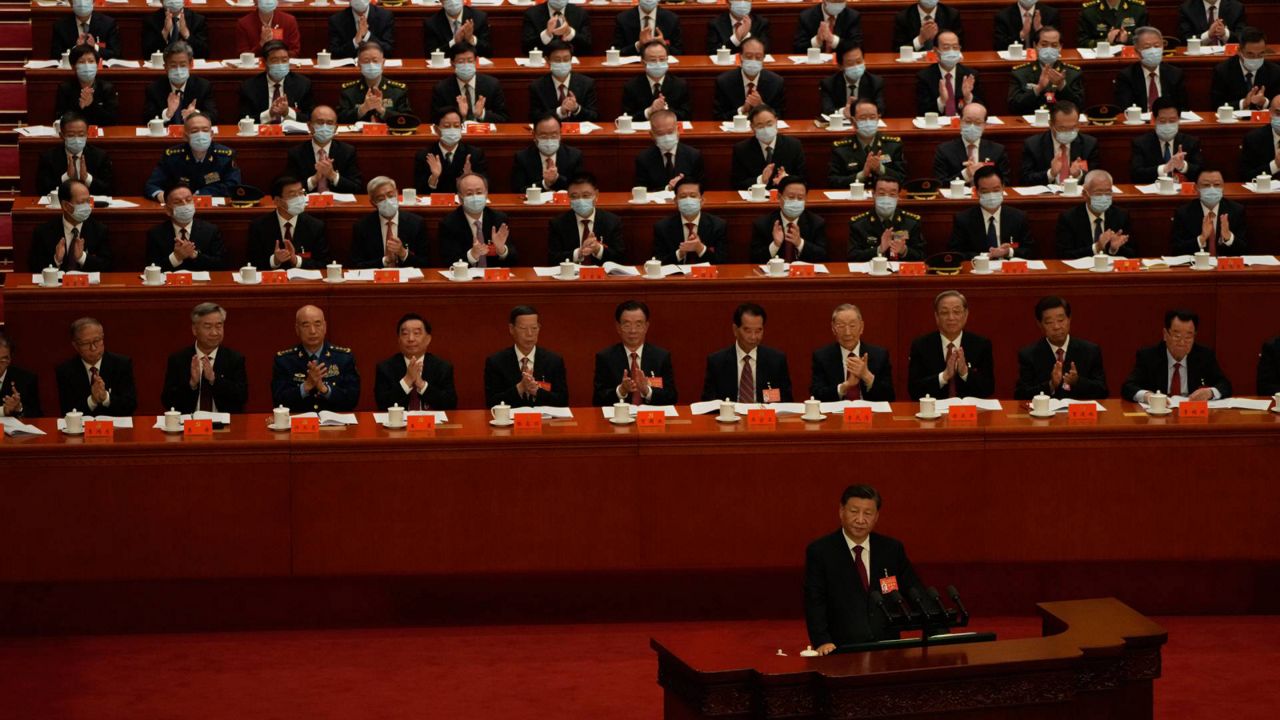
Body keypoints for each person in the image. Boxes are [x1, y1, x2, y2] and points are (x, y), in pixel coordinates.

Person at [805, 485, 923, 653]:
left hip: (888, 648)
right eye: (854, 511)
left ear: (876, 516)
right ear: (841, 511)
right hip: (842, 649)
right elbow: (815, 601)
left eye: (867, 513)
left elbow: (915, 591)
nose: (860, 520)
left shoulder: (891, 549)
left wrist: (939, 633)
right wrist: (821, 641)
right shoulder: (821, 552)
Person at [1121, 309, 1232, 402]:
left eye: (1188, 337)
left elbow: (1225, 385)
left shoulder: (1204, 356)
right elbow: (1128, 387)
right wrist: (1147, 396)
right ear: (1165, 335)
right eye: (1177, 336)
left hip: (1192, 417)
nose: (1182, 343)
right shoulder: (1149, 356)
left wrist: (1210, 392)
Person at [161, 303, 249, 414]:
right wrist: (192, 384)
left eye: (219, 326)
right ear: (194, 329)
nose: (214, 332)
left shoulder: (234, 359)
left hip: (224, 426)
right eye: (208, 327)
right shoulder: (178, 359)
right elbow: (168, 401)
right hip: (188, 425)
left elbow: (241, 398)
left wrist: (214, 380)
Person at [1014, 296, 1108, 400]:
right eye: (1049, 322)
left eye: (1060, 320)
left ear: (1069, 319)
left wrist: (1078, 381)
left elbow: (1103, 391)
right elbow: (1021, 395)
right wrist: (1051, 385)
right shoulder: (1029, 355)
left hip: (1080, 414)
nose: (1056, 327)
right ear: (1039, 325)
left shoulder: (1090, 351)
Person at [907, 290, 995, 400]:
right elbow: (914, 390)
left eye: (956, 312)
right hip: (934, 412)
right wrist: (944, 376)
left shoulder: (981, 345)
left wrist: (965, 372)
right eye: (944, 312)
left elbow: (988, 388)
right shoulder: (921, 346)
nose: (951, 317)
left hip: (969, 412)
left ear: (966, 315)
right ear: (936, 317)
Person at [271, 305, 360, 413]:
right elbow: (279, 401)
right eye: (306, 325)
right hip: (298, 425)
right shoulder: (284, 360)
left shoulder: (343, 357)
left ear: (325, 327)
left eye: (317, 324)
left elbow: (352, 400)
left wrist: (324, 389)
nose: (312, 331)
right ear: (297, 329)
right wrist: (305, 387)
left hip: (336, 425)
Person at [592, 300, 678, 407]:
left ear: (646, 327)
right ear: (618, 327)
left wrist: (647, 391)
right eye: (627, 325)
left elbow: (671, 397)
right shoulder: (605, 357)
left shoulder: (661, 357)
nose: (633, 331)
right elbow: (598, 399)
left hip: (651, 420)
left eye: (638, 324)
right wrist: (621, 390)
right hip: (619, 420)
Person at [701, 303, 793, 403]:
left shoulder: (776, 361)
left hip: (763, 417)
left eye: (758, 331)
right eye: (748, 331)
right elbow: (709, 403)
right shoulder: (717, 362)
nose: (753, 337)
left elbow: (785, 401)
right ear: (735, 330)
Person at [484, 305, 569, 408]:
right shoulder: (496, 362)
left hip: (545, 422)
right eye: (523, 328)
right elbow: (491, 403)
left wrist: (537, 391)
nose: (529, 334)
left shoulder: (554, 361)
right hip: (510, 423)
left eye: (534, 328)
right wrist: (520, 388)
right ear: (511, 329)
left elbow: (562, 401)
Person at [143, 112, 240, 201]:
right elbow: (152, 185)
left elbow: (233, 185)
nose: (200, 135)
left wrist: (202, 194)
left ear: (211, 134)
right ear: (185, 136)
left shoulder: (225, 155)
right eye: (194, 131)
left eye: (205, 130)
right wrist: (161, 195)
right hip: (180, 206)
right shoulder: (172, 156)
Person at [810, 304, 895, 402]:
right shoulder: (822, 356)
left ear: (861, 327)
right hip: (836, 415)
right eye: (841, 326)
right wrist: (844, 386)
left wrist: (867, 376)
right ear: (833, 329)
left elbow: (890, 397)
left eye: (852, 325)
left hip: (870, 414)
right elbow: (816, 395)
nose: (847, 332)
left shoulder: (879, 355)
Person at [374, 313, 458, 411]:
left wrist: (422, 385)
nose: (411, 339)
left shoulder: (442, 367)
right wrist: (407, 381)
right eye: (405, 334)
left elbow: (450, 404)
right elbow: (382, 405)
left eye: (417, 333)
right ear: (399, 340)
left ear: (428, 339)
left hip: (434, 425)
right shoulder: (385, 368)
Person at [55, 317, 137, 416]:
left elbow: (130, 406)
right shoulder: (65, 371)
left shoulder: (121, 364)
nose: (93, 348)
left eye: (97, 341)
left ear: (103, 338)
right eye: (86, 343)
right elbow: (67, 411)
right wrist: (92, 400)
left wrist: (106, 397)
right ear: (75, 346)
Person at [246, 175, 330, 270]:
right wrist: (275, 260)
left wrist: (297, 261)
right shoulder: (259, 226)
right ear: (277, 201)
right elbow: (252, 264)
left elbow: (324, 264)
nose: (299, 199)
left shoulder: (315, 226)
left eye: (301, 193)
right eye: (293, 195)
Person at [948, 166, 1032, 259]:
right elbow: (955, 253)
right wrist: (984, 256)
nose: (991, 195)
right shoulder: (963, 219)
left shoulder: (1018, 217)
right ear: (976, 192)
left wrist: (1009, 252)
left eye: (996, 190)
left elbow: (1030, 250)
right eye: (985, 191)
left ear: (1003, 188)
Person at [29, 179, 111, 273]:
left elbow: (107, 266)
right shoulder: (43, 232)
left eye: (88, 201)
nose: (87, 207)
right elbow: (34, 267)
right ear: (65, 206)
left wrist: (82, 258)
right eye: (81, 202)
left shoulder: (99, 230)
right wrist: (56, 260)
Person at [438, 172, 517, 268]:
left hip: (494, 279)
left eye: (479, 193)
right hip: (465, 281)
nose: (475, 197)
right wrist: (472, 255)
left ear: (486, 194)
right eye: (469, 194)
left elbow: (514, 260)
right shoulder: (449, 223)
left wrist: (501, 250)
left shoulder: (498, 219)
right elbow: (448, 262)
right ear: (460, 198)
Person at [350, 176, 428, 269]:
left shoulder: (416, 223)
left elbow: (425, 263)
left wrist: (403, 253)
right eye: (381, 199)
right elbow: (356, 265)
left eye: (390, 196)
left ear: (397, 194)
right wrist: (385, 261)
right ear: (373, 202)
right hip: (376, 281)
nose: (387, 201)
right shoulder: (362, 226)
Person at [145, 183, 227, 271]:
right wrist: (176, 257)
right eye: (177, 202)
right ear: (167, 210)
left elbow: (221, 265)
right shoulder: (157, 233)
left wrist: (195, 255)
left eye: (188, 200)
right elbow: (151, 269)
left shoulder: (211, 230)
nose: (185, 205)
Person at [1054, 169, 1134, 258]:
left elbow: (1132, 253)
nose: (1104, 198)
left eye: (1108, 193)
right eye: (1098, 193)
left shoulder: (1121, 216)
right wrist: (1096, 247)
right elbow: (1064, 255)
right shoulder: (1069, 218)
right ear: (1085, 194)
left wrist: (1113, 249)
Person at [547, 173, 625, 265]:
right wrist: (578, 253)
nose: (580, 200)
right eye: (574, 196)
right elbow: (553, 259)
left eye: (585, 195)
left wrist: (598, 249)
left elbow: (620, 257)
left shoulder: (612, 222)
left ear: (596, 195)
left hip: (602, 276)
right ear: (568, 197)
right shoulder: (558, 223)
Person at [1006, 26, 1085, 115]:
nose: (1049, 49)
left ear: (1060, 47)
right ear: (1035, 46)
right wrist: (1038, 89)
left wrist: (1062, 86)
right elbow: (1013, 107)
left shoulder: (1073, 73)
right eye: (1044, 45)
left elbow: (1079, 106)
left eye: (1054, 45)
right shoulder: (1020, 73)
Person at [286, 105, 364, 194]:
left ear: (335, 128)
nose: (324, 127)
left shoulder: (347, 151)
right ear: (309, 126)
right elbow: (289, 189)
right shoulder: (296, 153)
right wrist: (313, 180)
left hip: (338, 204)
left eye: (330, 123)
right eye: (320, 122)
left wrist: (333, 176)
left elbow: (356, 188)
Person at [1170, 169, 1247, 256]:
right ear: (1196, 188)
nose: (1212, 189)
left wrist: (1229, 237)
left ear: (1223, 187)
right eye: (1206, 185)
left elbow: (1244, 249)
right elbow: (1177, 250)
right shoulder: (1183, 213)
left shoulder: (1236, 210)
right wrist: (1201, 238)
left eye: (1217, 185)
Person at [1020, 100, 1099, 185]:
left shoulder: (1089, 144)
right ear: (1051, 124)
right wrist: (1051, 173)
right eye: (1062, 128)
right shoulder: (1033, 145)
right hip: (1047, 197)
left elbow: (1096, 179)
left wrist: (1079, 174)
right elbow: (1025, 179)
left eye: (1073, 127)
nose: (1068, 132)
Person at [750, 176, 826, 263]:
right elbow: (754, 259)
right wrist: (775, 245)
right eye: (791, 197)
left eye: (800, 198)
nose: (795, 201)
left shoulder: (816, 223)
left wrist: (800, 243)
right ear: (779, 197)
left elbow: (822, 256)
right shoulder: (762, 223)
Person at [830, 100, 906, 186]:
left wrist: (881, 169)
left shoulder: (893, 145)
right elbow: (833, 181)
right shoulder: (841, 149)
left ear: (878, 118)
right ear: (852, 121)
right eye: (863, 118)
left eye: (872, 117)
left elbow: (902, 179)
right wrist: (861, 175)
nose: (868, 122)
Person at [414, 106, 488, 196]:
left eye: (456, 126)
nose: (452, 130)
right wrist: (434, 177)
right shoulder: (425, 156)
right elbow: (420, 192)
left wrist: (469, 178)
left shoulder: (474, 154)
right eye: (447, 126)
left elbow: (485, 189)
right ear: (436, 130)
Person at [652, 179, 728, 265]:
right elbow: (658, 262)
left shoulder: (718, 225)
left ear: (702, 201)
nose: (688, 200)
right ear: (675, 201)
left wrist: (701, 248)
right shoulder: (662, 227)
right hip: (677, 276)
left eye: (693, 196)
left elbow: (722, 262)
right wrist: (680, 253)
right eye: (683, 196)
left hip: (706, 276)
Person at [37, 111, 114, 196]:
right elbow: (43, 190)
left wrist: (87, 178)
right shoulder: (48, 157)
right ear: (61, 136)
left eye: (81, 135)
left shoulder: (100, 156)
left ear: (87, 134)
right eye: (71, 135)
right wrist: (66, 177)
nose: (77, 139)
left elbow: (109, 189)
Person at [849, 176, 925, 262]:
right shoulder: (859, 224)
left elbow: (921, 256)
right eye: (882, 193)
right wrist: (879, 250)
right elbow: (852, 257)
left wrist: (904, 251)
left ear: (898, 197)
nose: (887, 198)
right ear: (873, 195)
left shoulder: (911, 223)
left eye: (892, 194)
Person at [933, 102, 1011, 185]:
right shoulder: (944, 150)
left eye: (978, 122)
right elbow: (940, 185)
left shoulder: (997, 150)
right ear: (960, 122)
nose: (972, 126)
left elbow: (1005, 182)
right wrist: (966, 175)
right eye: (968, 121)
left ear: (984, 125)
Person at [731, 105, 805, 191]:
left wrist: (786, 180)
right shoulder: (741, 149)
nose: (766, 129)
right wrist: (761, 180)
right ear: (752, 127)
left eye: (769, 124)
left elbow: (803, 180)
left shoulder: (793, 145)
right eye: (760, 126)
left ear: (776, 121)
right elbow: (737, 184)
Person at [238, 39, 314, 124]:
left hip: (290, 135)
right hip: (262, 135)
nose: (280, 64)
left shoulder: (302, 84)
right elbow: (242, 120)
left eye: (284, 60)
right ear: (264, 62)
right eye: (275, 60)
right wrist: (269, 114)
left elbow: (310, 118)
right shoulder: (249, 87)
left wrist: (288, 113)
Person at [1129, 96, 1203, 184]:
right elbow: (1136, 174)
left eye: (1172, 121)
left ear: (1179, 119)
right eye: (1162, 121)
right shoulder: (1140, 143)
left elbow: (1201, 173)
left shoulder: (1191, 142)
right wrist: (1163, 169)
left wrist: (1183, 166)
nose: (1167, 125)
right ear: (1153, 119)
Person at [1114, 26, 1188, 112]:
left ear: (1163, 48)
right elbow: (1125, 109)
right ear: (1137, 51)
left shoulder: (1175, 74)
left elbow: (1183, 108)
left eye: (1157, 46)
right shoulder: (1126, 77)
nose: (1153, 51)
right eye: (1147, 47)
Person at [430, 42, 509, 122]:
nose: (466, 65)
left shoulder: (492, 85)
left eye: (470, 61)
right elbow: (435, 121)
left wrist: (482, 114)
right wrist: (459, 115)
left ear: (476, 61)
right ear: (452, 63)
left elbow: (503, 118)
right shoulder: (442, 89)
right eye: (461, 62)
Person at [143, 42, 218, 125]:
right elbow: (147, 119)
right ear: (165, 67)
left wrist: (195, 115)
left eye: (183, 65)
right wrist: (167, 114)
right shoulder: (154, 89)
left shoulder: (203, 87)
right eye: (173, 65)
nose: (178, 70)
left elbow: (213, 116)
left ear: (191, 64)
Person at [337, 42, 412, 123]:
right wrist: (362, 109)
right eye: (366, 61)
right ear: (359, 64)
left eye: (375, 61)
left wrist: (382, 111)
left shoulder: (398, 91)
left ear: (383, 63)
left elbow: (407, 120)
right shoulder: (349, 91)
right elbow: (340, 119)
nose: (371, 65)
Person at [713, 37, 785, 120]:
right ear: (740, 57)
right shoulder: (724, 82)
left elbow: (780, 116)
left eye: (758, 57)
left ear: (763, 59)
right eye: (749, 56)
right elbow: (718, 117)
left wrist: (762, 107)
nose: (753, 61)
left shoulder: (776, 82)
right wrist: (742, 110)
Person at [634, 109, 705, 192]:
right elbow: (641, 191)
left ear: (678, 130)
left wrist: (682, 186)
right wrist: (668, 188)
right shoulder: (643, 158)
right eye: (660, 134)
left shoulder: (693, 155)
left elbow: (701, 187)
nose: (666, 137)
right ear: (652, 135)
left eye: (670, 132)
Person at [528, 40, 598, 122]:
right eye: (557, 60)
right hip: (551, 133)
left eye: (566, 59)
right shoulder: (537, 86)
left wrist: (576, 108)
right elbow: (535, 118)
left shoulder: (587, 83)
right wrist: (560, 112)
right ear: (547, 60)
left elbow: (594, 117)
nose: (562, 63)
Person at [510, 114, 583, 193]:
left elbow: (578, 188)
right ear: (534, 136)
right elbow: (518, 191)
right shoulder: (522, 157)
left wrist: (557, 179)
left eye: (554, 135)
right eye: (544, 136)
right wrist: (544, 184)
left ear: (560, 134)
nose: (549, 140)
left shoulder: (574, 156)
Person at [1209, 27, 1277, 111]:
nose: (1256, 58)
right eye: (1250, 54)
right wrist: (1243, 103)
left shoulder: (1275, 71)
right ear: (1239, 51)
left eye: (1260, 54)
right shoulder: (1223, 71)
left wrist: (1264, 102)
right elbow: (1216, 106)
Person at [621, 40, 691, 121]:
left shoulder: (680, 85)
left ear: (667, 60)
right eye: (653, 60)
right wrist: (649, 111)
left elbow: (686, 115)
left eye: (662, 59)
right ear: (643, 62)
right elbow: (626, 117)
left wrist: (665, 110)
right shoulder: (631, 86)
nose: (658, 63)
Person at [915, 31, 980, 117]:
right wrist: (941, 101)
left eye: (955, 47)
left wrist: (968, 98)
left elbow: (983, 112)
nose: (951, 51)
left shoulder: (970, 75)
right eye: (946, 48)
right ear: (935, 51)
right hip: (938, 128)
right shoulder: (925, 77)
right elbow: (922, 112)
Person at [54, 44, 119, 127]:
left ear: (97, 65)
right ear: (73, 66)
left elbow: (112, 120)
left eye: (91, 61)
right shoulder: (65, 88)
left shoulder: (107, 88)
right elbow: (61, 119)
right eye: (81, 62)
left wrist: (92, 105)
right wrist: (80, 107)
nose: (87, 65)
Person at [820, 41, 886, 117]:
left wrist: (861, 111)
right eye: (850, 63)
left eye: (859, 61)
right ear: (840, 66)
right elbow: (826, 110)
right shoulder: (829, 84)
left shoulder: (875, 82)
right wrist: (843, 111)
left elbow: (880, 109)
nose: (856, 66)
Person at [50, 0, 121, 61]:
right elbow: (56, 57)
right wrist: (76, 49)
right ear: (71, 4)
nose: (82, 3)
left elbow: (116, 55)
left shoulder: (108, 24)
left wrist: (95, 47)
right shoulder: (61, 26)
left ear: (93, 2)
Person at [424, 0, 493, 58]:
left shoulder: (479, 18)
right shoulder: (432, 23)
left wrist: (471, 39)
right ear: (441, 1)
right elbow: (430, 55)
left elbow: (488, 53)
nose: (453, 1)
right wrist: (454, 42)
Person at [328, 0, 394, 59]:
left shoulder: (385, 17)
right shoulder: (337, 20)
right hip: (350, 69)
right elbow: (334, 53)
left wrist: (367, 36)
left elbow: (388, 51)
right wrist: (355, 42)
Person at [613, 0, 683, 56]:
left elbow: (679, 52)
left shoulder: (671, 19)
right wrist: (638, 45)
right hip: (633, 67)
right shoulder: (623, 19)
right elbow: (616, 52)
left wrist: (664, 45)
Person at [522, 0, 592, 56]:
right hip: (543, 62)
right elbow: (526, 48)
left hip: (572, 64)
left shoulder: (580, 13)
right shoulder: (532, 14)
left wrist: (569, 32)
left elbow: (587, 48)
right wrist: (547, 34)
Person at [143, 0, 208, 58]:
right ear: (161, 1)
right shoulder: (151, 20)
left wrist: (186, 34)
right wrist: (164, 33)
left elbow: (203, 54)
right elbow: (147, 54)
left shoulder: (197, 20)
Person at [235, 0, 301, 56]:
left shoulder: (289, 20)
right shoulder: (244, 23)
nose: (268, 1)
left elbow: (295, 51)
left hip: (281, 65)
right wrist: (262, 44)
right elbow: (243, 55)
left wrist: (276, 57)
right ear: (255, 1)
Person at [893, 0, 964, 52]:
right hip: (914, 65)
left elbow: (959, 46)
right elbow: (897, 50)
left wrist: (939, 38)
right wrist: (920, 40)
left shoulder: (951, 14)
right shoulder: (903, 17)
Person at [1239, 95, 1280, 181]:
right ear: (1269, 113)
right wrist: (1275, 165)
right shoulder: (1254, 139)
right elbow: (1245, 176)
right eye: (1278, 113)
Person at [0, 333, 41, 419]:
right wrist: (3, 411)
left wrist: (19, 408)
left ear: (10, 359)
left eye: (3, 360)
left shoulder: (26, 380)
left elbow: (36, 415)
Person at [795, 0, 861, 52]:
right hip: (816, 65)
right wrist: (817, 41)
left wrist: (833, 40)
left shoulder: (852, 16)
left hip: (841, 65)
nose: (837, 4)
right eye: (834, 1)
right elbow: (798, 48)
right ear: (824, 0)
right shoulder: (806, 16)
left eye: (841, 1)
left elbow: (857, 47)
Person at [1077, 0, 1147, 48]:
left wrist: (1128, 39)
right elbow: (1082, 42)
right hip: (1100, 62)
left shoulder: (1137, 9)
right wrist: (1106, 41)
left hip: (1130, 60)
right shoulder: (1089, 12)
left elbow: (1146, 39)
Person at [994, 0, 1061, 49]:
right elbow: (1000, 45)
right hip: (1014, 61)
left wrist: (1040, 30)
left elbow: (1057, 43)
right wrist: (1022, 35)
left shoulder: (1051, 13)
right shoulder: (1003, 15)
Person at [1178, 0, 1245, 45]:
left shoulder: (1236, 7)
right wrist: (1208, 35)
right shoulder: (1187, 8)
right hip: (1198, 59)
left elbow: (1242, 38)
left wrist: (1225, 34)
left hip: (1228, 59)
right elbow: (1185, 39)